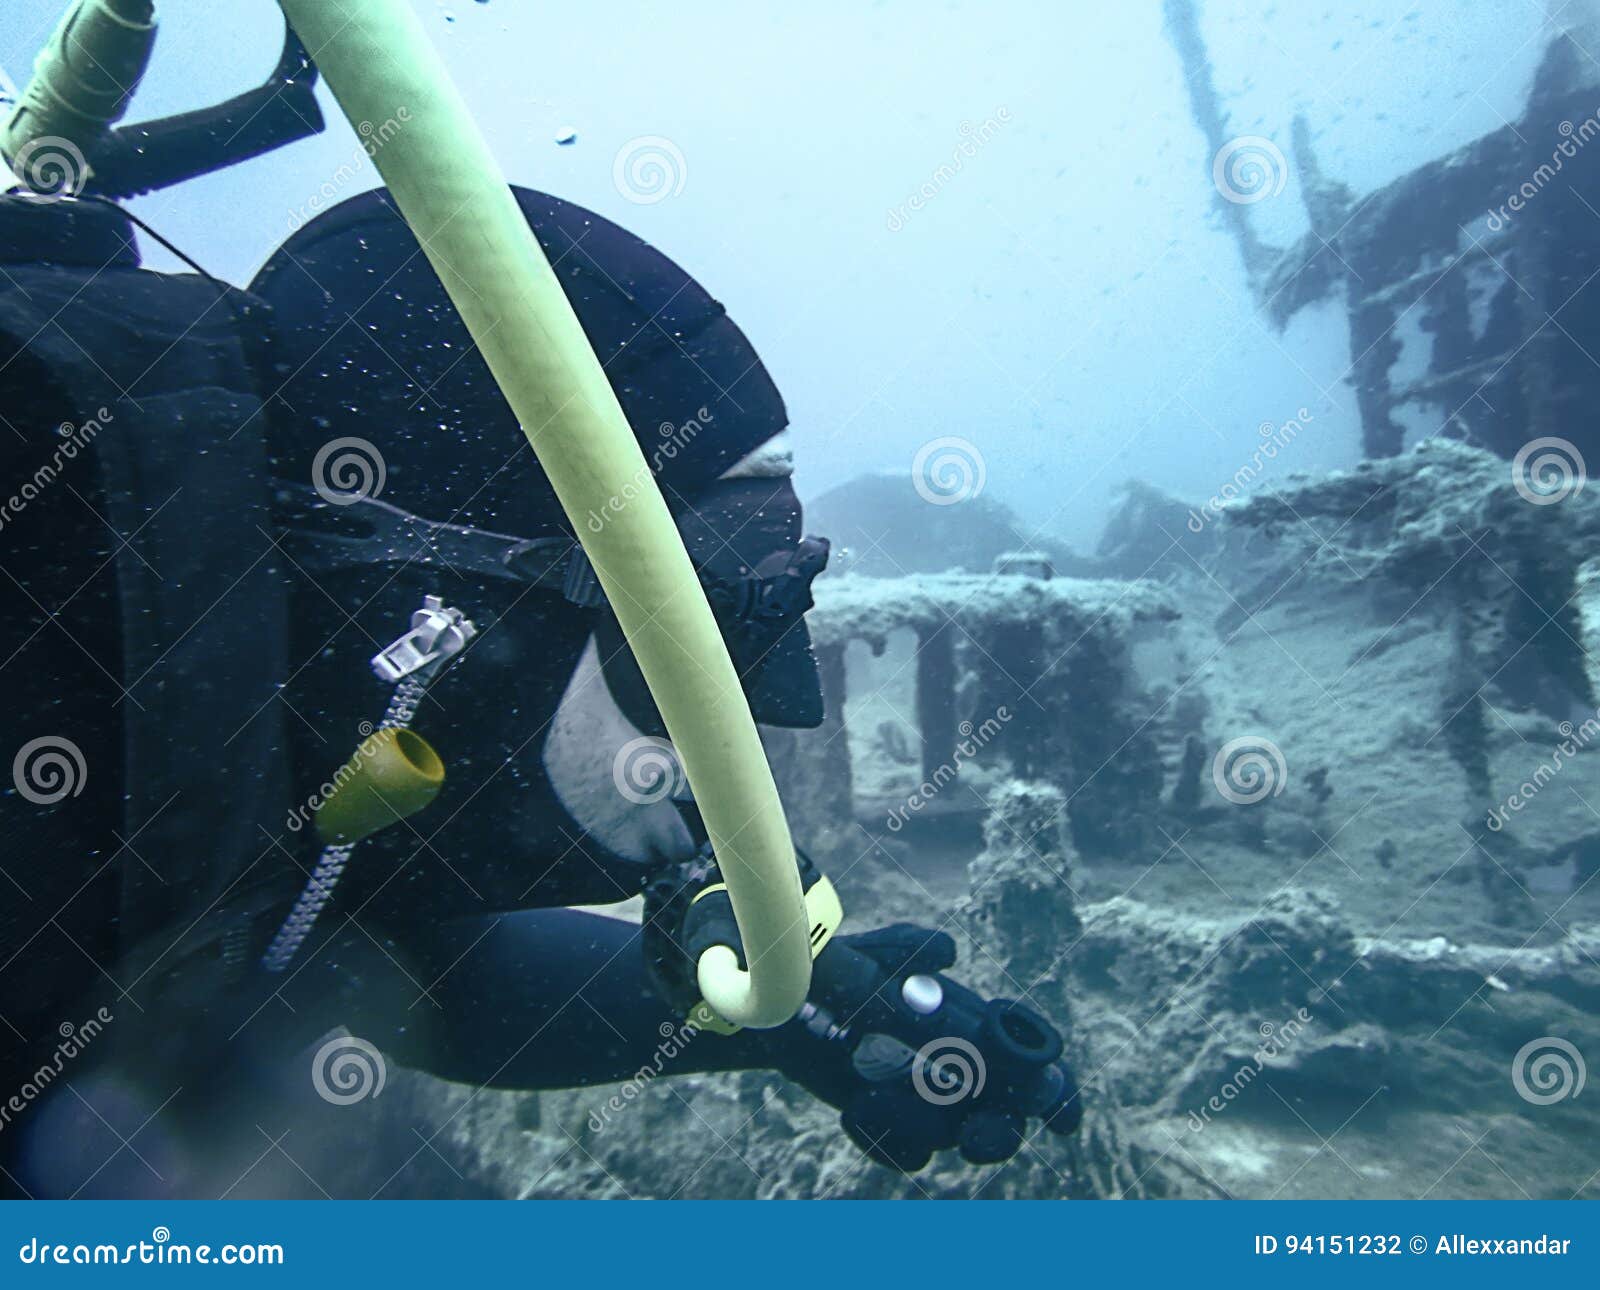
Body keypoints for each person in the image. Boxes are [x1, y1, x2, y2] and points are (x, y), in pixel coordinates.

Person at [0, 160, 1077, 1197]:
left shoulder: (248, 687)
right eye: (688, 645)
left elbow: (416, 971)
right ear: (440, 616)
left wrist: (778, 1019)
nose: (772, 713)